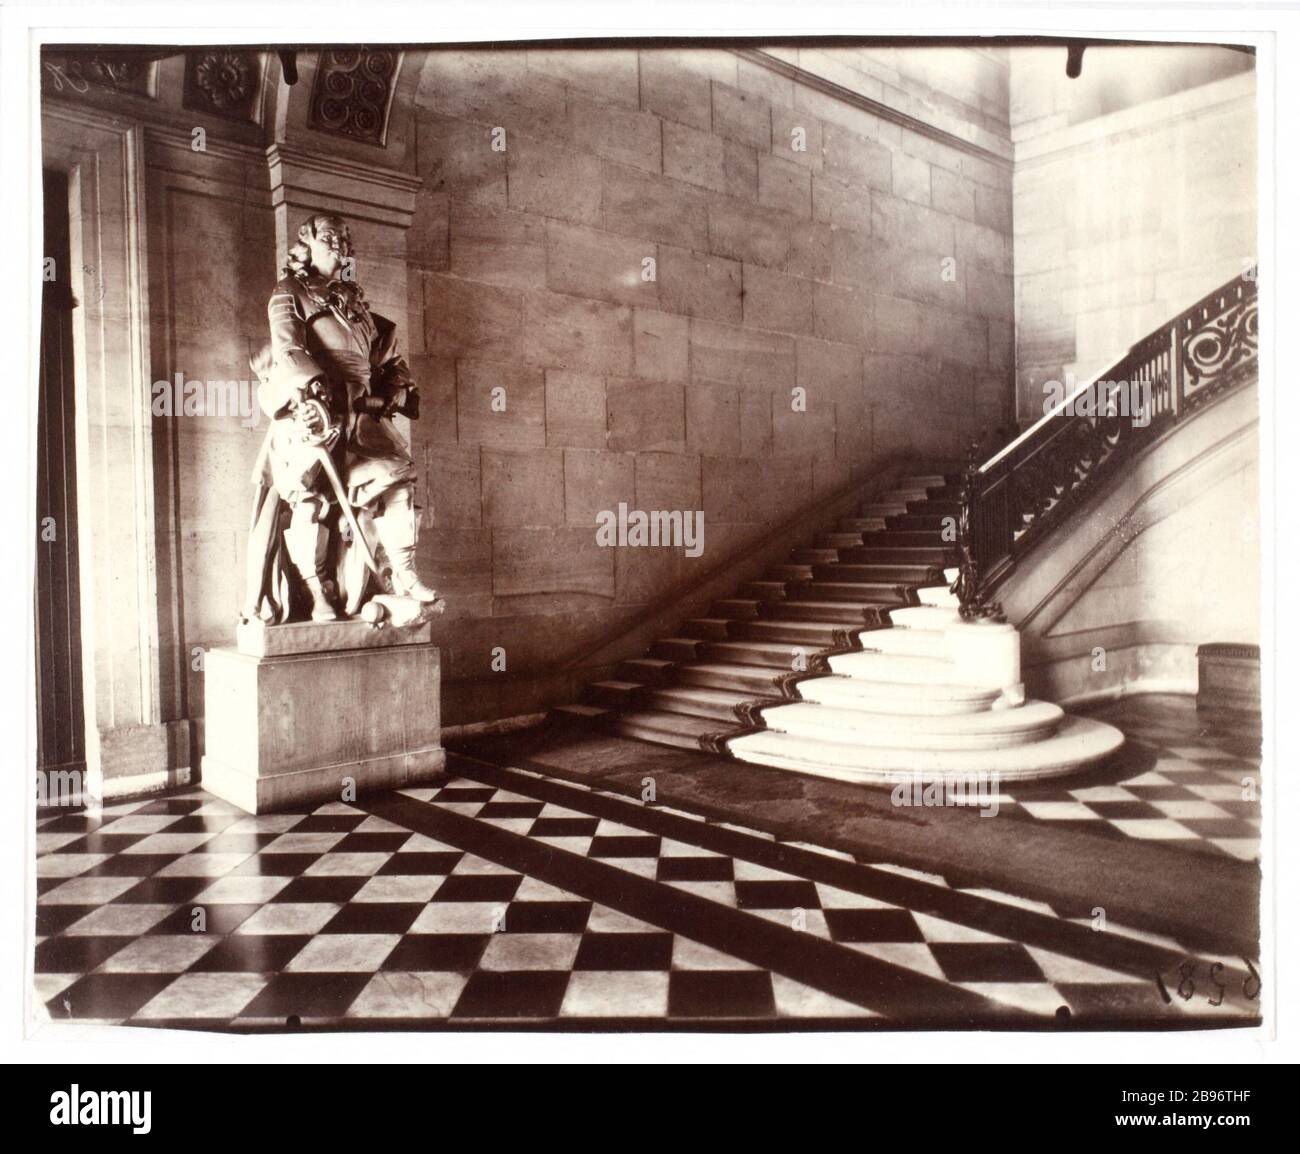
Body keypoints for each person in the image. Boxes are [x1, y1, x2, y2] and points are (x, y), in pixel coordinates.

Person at [242, 213, 437, 624]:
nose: (339, 245)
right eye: (330, 237)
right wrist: (313, 392)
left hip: (362, 416)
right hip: (313, 411)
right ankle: (317, 593)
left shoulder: (357, 301)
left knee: (398, 480)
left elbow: (387, 359)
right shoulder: (289, 292)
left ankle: (404, 572)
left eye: (345, 240)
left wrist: (399, 385)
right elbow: (288, 350)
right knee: (309, 501)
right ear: (308, 242)